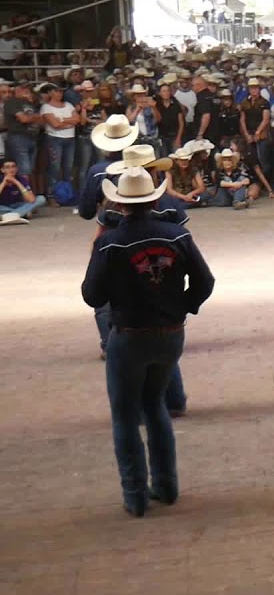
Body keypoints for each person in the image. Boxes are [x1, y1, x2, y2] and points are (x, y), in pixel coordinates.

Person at [80, 167, 215, 516]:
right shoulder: (177, 236)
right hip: (170, 333)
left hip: (128, 334)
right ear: (155, 199)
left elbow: (92, 295)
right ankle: (167, 486)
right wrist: (184, 307)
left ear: (120, 204)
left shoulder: (109, 242)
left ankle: (135, 495)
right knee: (155, 405)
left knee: (125, 414)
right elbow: (205, 280)